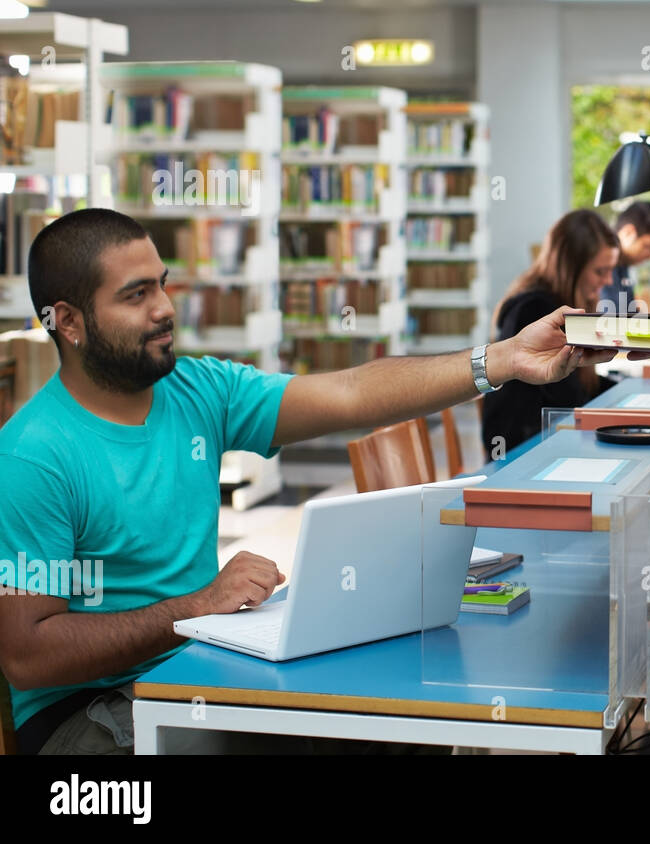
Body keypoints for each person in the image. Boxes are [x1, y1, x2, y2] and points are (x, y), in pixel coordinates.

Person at [0, 208, 612, 754]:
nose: (164, 307)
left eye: (162, 283)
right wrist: (195, 607)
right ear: (70, 323)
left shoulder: (196, 390)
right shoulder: (34, 456)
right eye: (135, 295)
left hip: (195, 668)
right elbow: (28, 655)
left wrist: (500, 360)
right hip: (89, 718)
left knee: (407, 725)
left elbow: (347, 394)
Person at [482, 209, 621, 455]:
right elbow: (567, 397)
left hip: (545, 438)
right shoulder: (534, 309)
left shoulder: (557, 301)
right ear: (571, 267)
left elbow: (577, 387)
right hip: (523, 450)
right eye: (600, 271)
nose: (609, 280)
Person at [598, 200, 650, 317]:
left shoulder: (623, 269)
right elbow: (611, 322)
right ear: (628, 233)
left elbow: (630, 317)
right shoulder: (602, 268)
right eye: (649, 246)